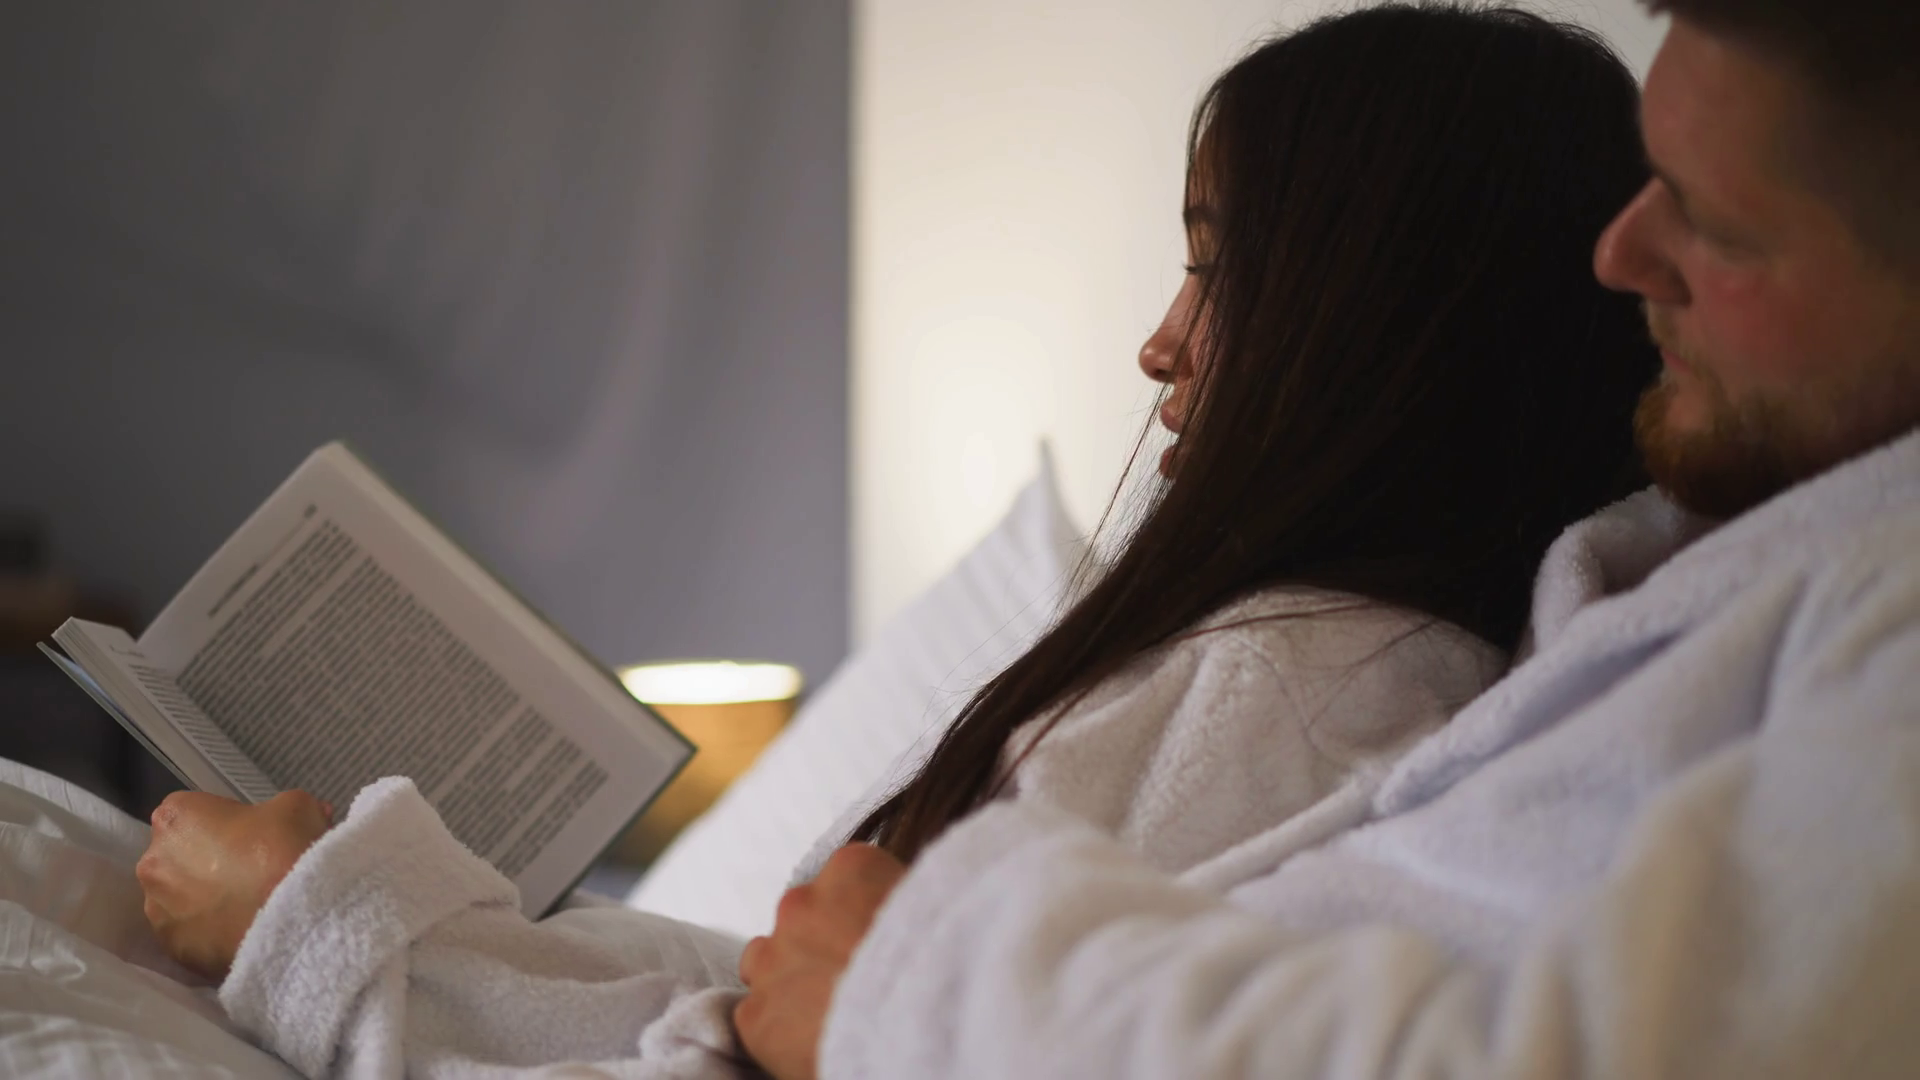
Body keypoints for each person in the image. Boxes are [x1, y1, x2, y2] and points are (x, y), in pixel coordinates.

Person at [136, 5, 1661, 1076]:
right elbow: (759, 1000)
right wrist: (385, 917)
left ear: (1382, 333)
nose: (1161, 344)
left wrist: (308, 934)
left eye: (1219, 270)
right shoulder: (1299, 665)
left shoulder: (1296, 698)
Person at [733, 2, 1920, 1078]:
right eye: (1646, 187)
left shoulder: (1309, 680)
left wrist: (924, 997)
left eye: (1718, 223)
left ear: (1387, 337)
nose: (1621, 260)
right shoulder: (1691, 587)